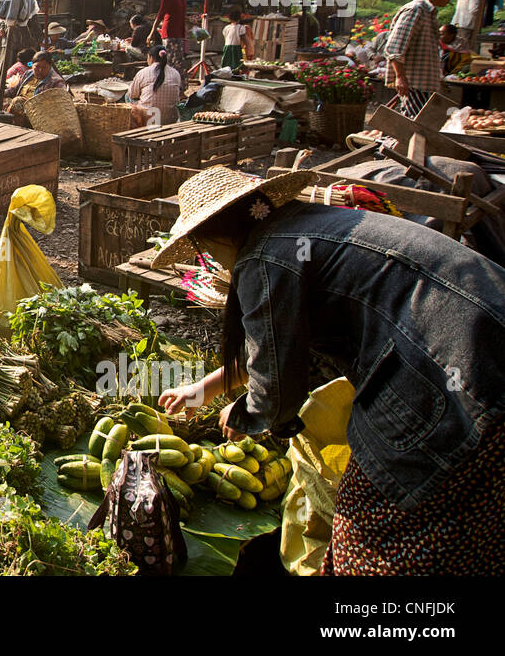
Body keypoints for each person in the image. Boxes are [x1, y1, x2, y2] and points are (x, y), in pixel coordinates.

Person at [151, 165, 505, 575]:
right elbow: (280, 339)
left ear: (213, 236)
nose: (210, 259)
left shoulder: (265, 256)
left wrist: (249, 413)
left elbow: (276, 383)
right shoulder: (309, 226)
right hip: (484, 345)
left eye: (204, 250)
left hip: (454, 375)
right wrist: (209, 387)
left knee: (375, 524)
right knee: (477, 514)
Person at [385, 0, 461, 117]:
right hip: (414, 85)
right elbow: (394, 47)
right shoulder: (415, 10)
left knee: (420, 128)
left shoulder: (429, 12)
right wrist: (400, 77)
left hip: (425, 84)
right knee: (414, 129)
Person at [127, 44, 184, 126]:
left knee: (127, 98)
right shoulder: (175, 73)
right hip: (171, 119)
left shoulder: (144, 72)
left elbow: (132, 94)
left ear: (151, 58)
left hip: (148, 120)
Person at [150, 0, 189, 74]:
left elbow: (180, 13)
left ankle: (178, 86)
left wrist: (188, 21)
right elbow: (160, 14)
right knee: (170, 61)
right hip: (170, 33)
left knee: (179, 61)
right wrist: (152, 31)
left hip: (179, 33)